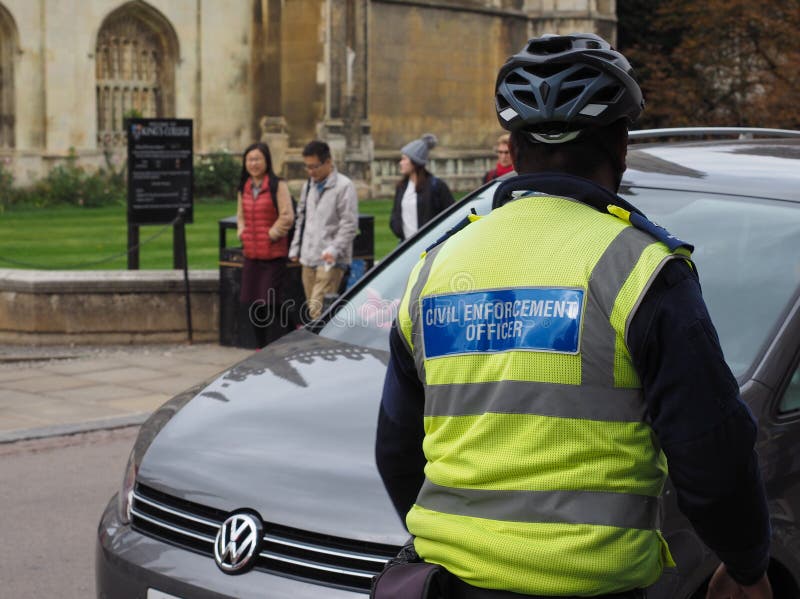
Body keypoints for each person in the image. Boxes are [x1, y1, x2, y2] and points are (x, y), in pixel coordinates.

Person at [375, 33, 772, 599]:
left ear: (511, 150)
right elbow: (711, 451)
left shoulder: (434, 267)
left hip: (447, 584)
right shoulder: (643, 269)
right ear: (621, 146)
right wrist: (746, 562)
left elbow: (396, 448)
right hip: (589, 586)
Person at [289, 140, 358, 321]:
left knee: (317, 311)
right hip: (308, 256)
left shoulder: (344, 186)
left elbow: (349, 224)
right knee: (316, 312)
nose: (311, 172)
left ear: (328, 162)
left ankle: (320, 346)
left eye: (315, 166)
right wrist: (295, 249)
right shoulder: (308, 185)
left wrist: (334, 249)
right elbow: (301, 218)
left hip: (331, 259)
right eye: (307, 167)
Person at [236, 141, 294, 348]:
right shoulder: (245, 186)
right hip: (252, 254)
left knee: (271, 300)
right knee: (253, 301)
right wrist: (242, 232)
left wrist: (271, 234)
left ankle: (292, 333)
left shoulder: (277, 185)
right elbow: (240, 215)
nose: (253, 163)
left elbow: (287, 216)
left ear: (266, 161)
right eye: (250, 159)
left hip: (272, 254)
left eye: (257, 159)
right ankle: (260, 346)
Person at [389, 133, 455, 242]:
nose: (401, 163)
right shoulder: (401, 187)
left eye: (404, 159)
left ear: (415, 162)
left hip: (430, 246)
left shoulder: (437, 186)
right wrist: (397, 229)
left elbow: (452, 215)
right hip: (406, 246)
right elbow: (395, 215)